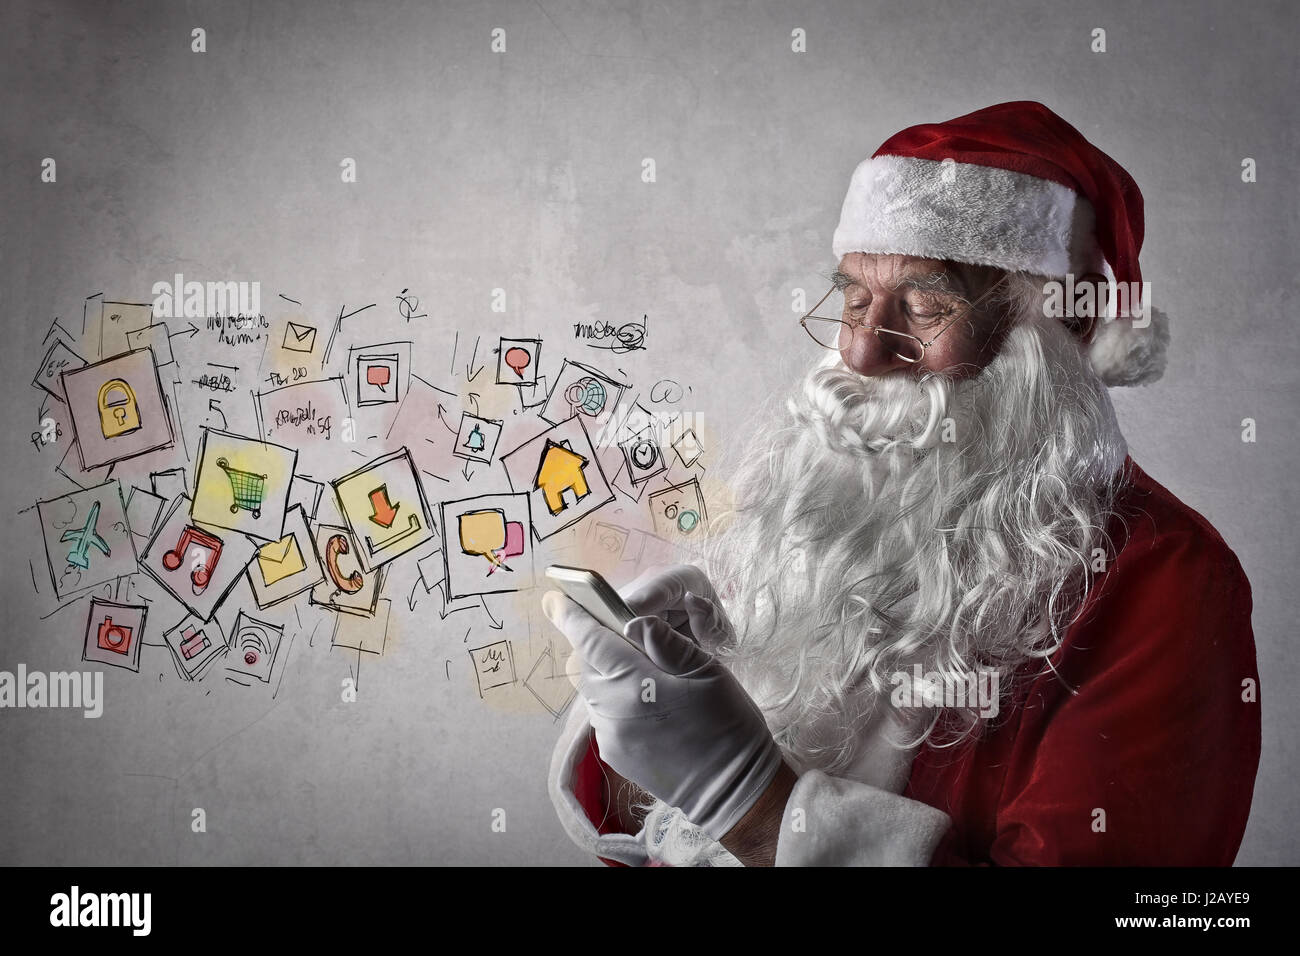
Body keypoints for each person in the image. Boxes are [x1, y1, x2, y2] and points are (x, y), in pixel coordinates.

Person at [543, 101, 1261, 866]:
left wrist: (746, 800)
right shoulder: (837, 520)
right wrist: (669, 709)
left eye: (924, 304)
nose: (860, 351)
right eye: (854, 299)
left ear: (1060, 328)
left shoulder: (1169, 585)